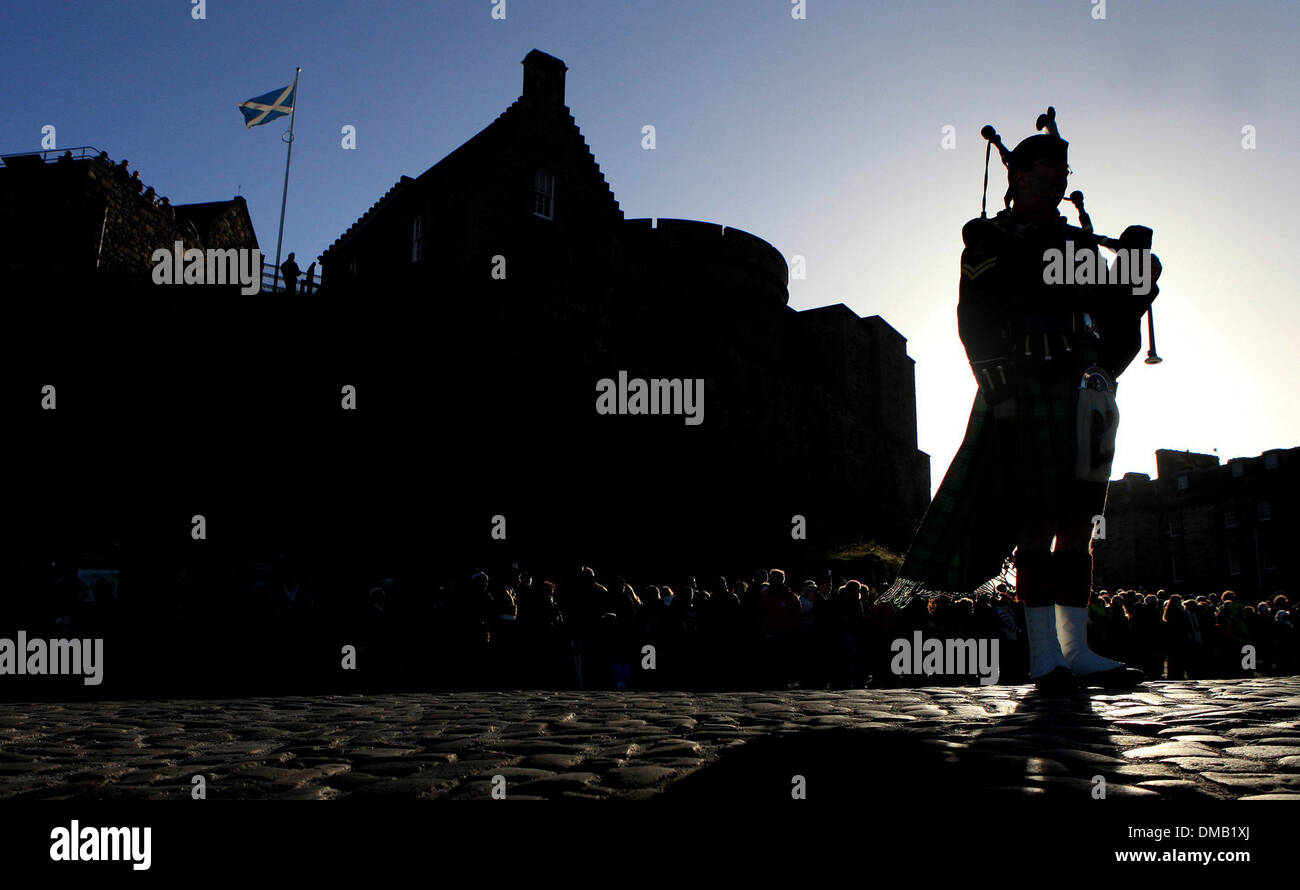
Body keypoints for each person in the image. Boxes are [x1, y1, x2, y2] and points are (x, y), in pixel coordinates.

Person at [879, 107, 1159, 690]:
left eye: (1062, 170)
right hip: (1025, 383)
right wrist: (999, 389)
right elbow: (975, 318)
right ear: (1018, 175)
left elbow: (1114, 314)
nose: (1057, 178)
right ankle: (1043, 659)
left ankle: (1076, 652)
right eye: (1045, 169)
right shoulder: (993, 238)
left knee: (1079, 522)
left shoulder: (1078, 244)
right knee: (1036, 521)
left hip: (1084, 390)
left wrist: (1136, 275)